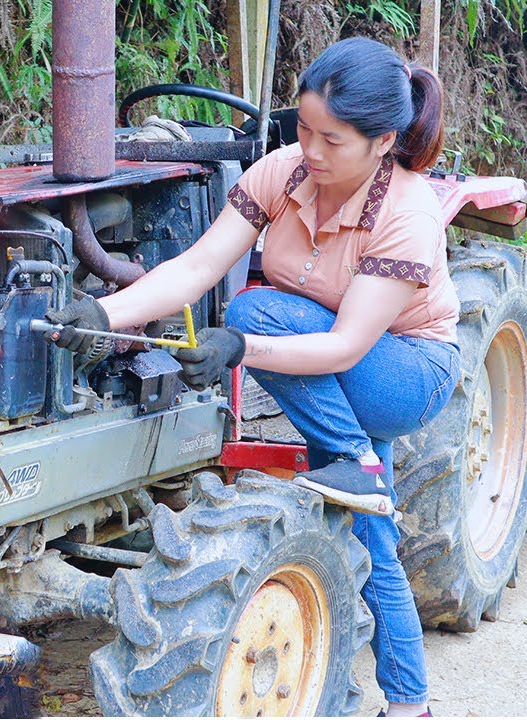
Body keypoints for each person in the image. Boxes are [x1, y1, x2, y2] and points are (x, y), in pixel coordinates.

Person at [49, 38, 455, 717]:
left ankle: (355, 457)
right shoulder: (284, 171)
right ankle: (411, 703)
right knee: (369, 528)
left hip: (405, 371)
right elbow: (195, 267)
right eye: (302, 128)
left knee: (255, 307)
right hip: (327, 361)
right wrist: (102, 315)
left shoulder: (407, 215)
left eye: (332, 139)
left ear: (385, 141)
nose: (312, 151)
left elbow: (346, 346)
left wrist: (241, 347)